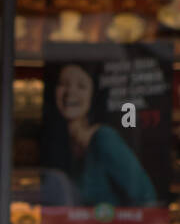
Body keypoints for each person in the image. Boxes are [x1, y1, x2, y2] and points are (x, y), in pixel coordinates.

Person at [42, 61, 157, 207]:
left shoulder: (104, 138)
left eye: (81, 86)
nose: (70, 92)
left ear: (93, 95)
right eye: (63, 84)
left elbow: (146, 196)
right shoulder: (60, 143)